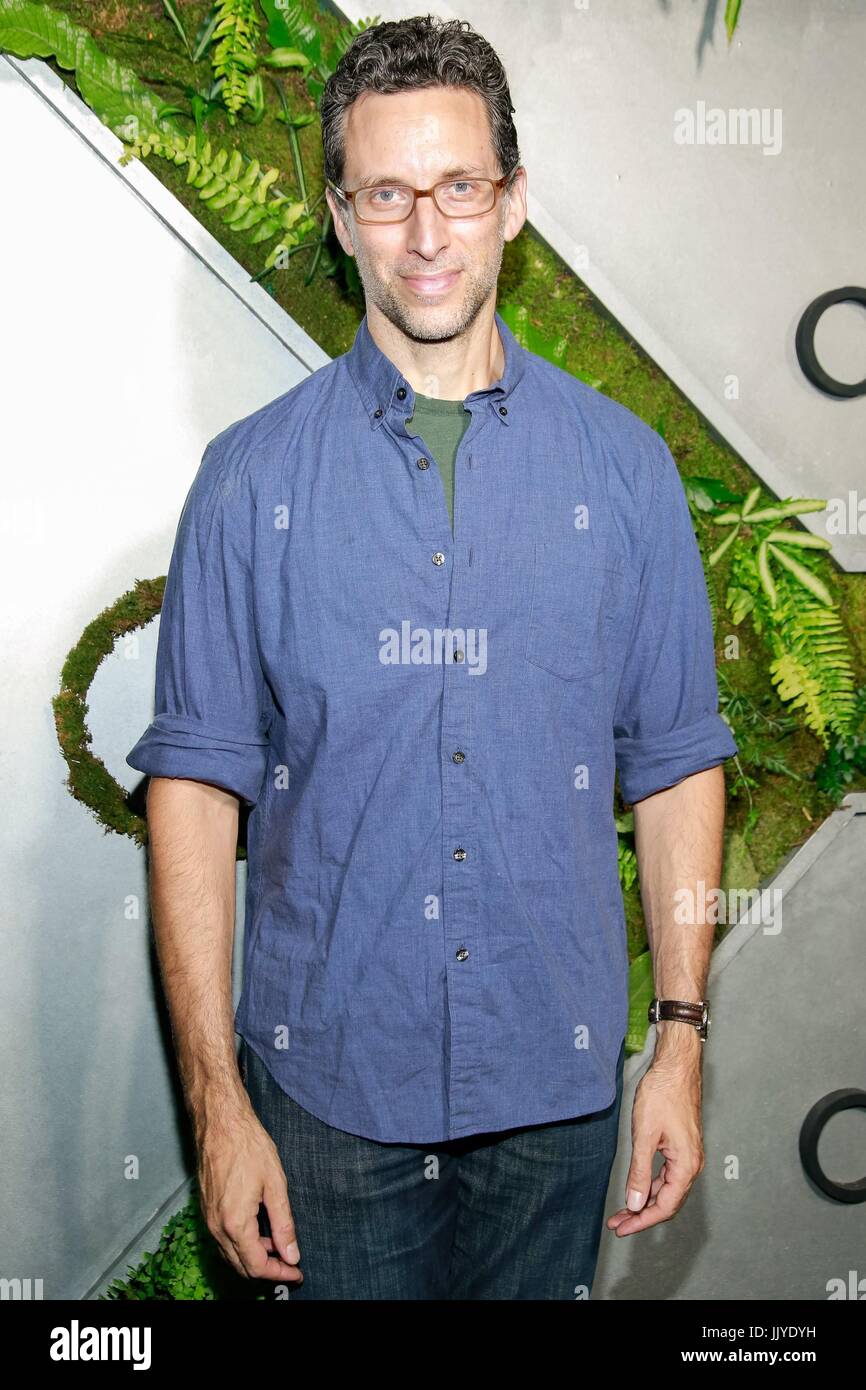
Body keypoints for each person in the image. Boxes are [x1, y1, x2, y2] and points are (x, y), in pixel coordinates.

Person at [127, 14, 737, 1300]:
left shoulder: (622, 474)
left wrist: (678, 1038)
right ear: (340, 216)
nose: (425, 234)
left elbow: (676, 762)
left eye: (458, 187)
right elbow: (194, 789)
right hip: (327, 1100)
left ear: (511, 201)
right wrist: (216, 1107)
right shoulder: (247, 484)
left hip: (553, 1093)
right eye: (387, 194)